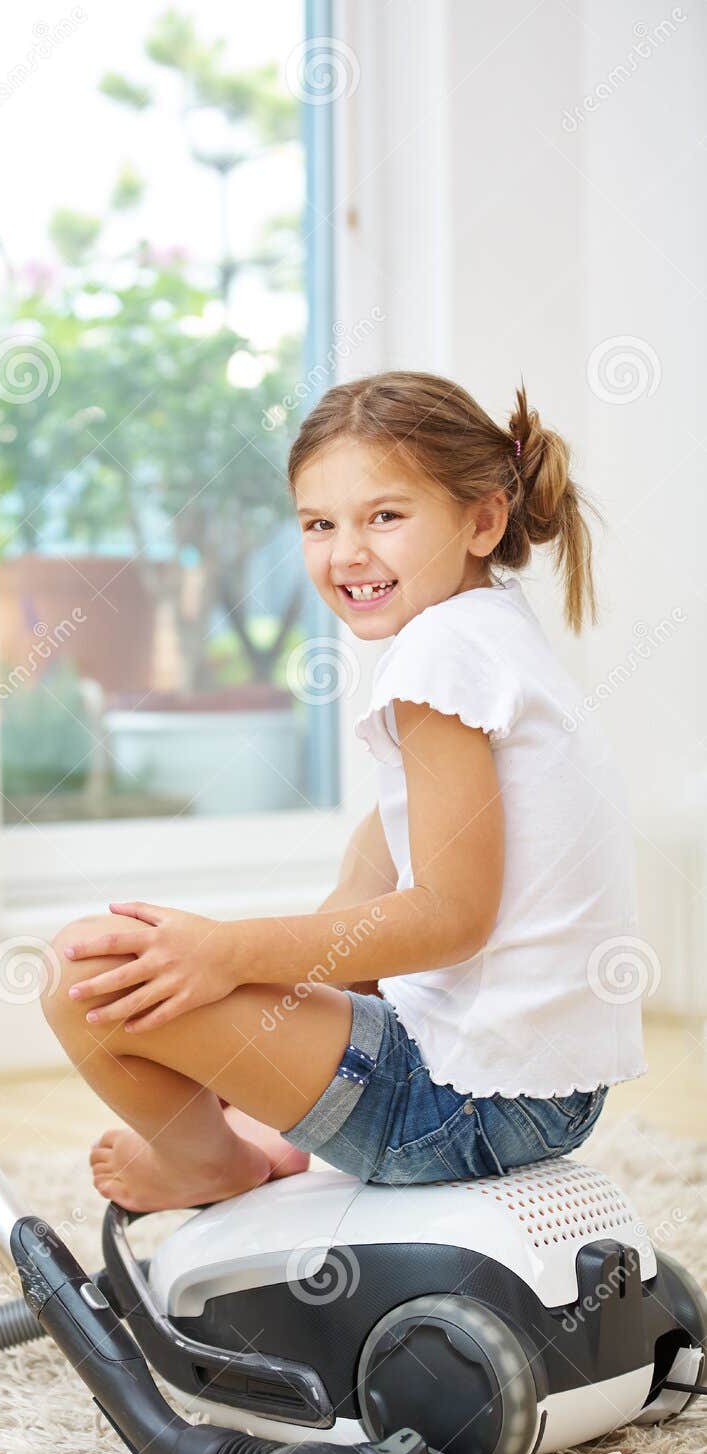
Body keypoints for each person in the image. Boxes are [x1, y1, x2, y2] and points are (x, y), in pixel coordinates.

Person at [42, 371, 646, 1212]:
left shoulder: (439, 657)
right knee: (366, 855)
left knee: (87, 967)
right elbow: (374, 880)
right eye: (319, 524)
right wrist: (248, 1026)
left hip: (463, 1104)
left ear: (481, 519)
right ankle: (268, 1128)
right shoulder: (489, 631)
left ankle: (203, 1162)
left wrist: (225, 956)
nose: (347, 553)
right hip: (539, 1094)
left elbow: (448, 917)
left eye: (384, 517)